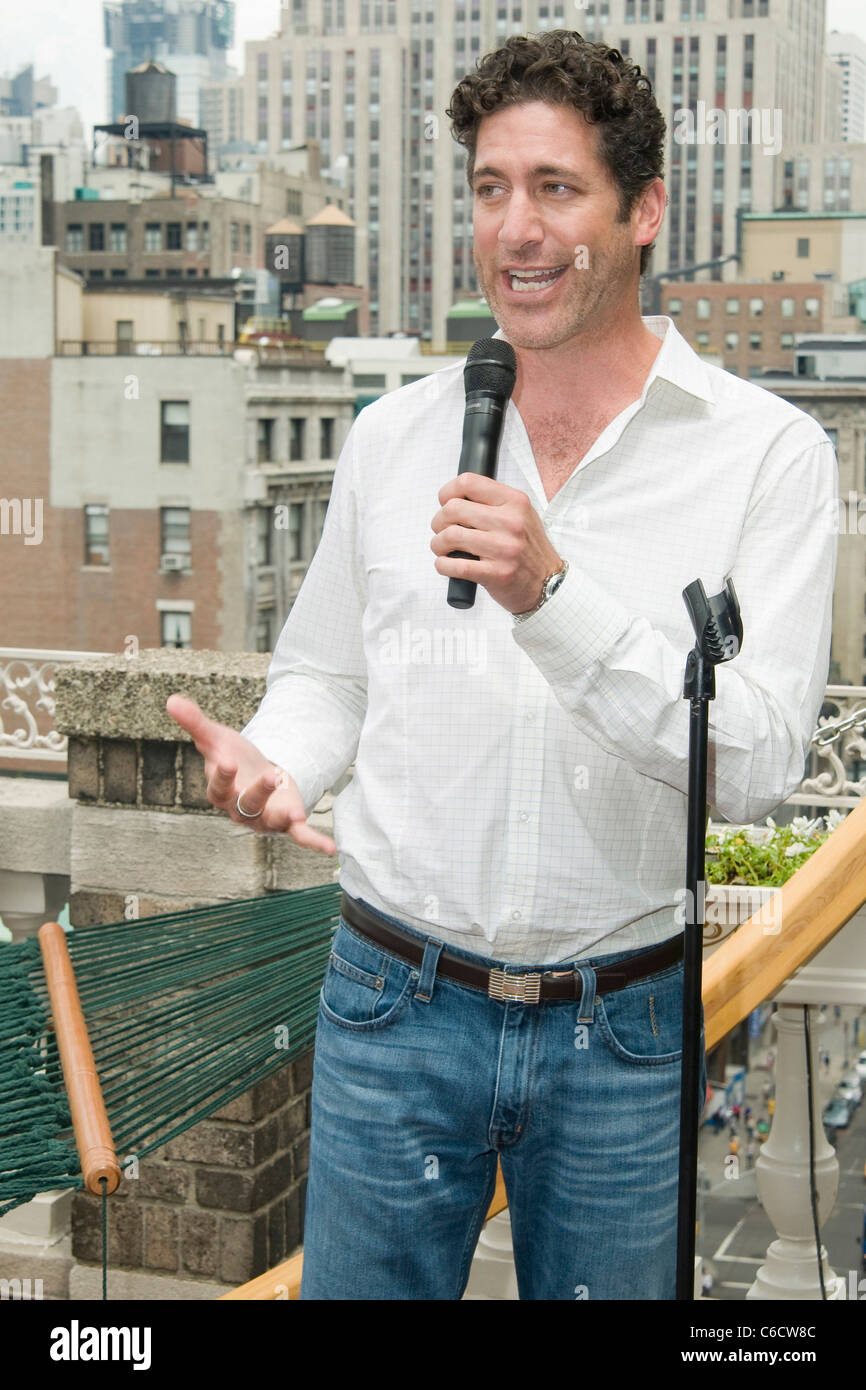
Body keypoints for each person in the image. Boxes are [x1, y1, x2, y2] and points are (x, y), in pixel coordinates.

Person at [166, 30, 837, 1300]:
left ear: (642, 211)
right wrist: (279, 759)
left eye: (553, 188)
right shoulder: (393, 437)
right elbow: (333, 677)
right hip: (388, 1005)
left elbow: (749, 763)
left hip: (620, 1026)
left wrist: (551, 596)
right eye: (487, 189)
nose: (514, 229)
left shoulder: (766, 457)